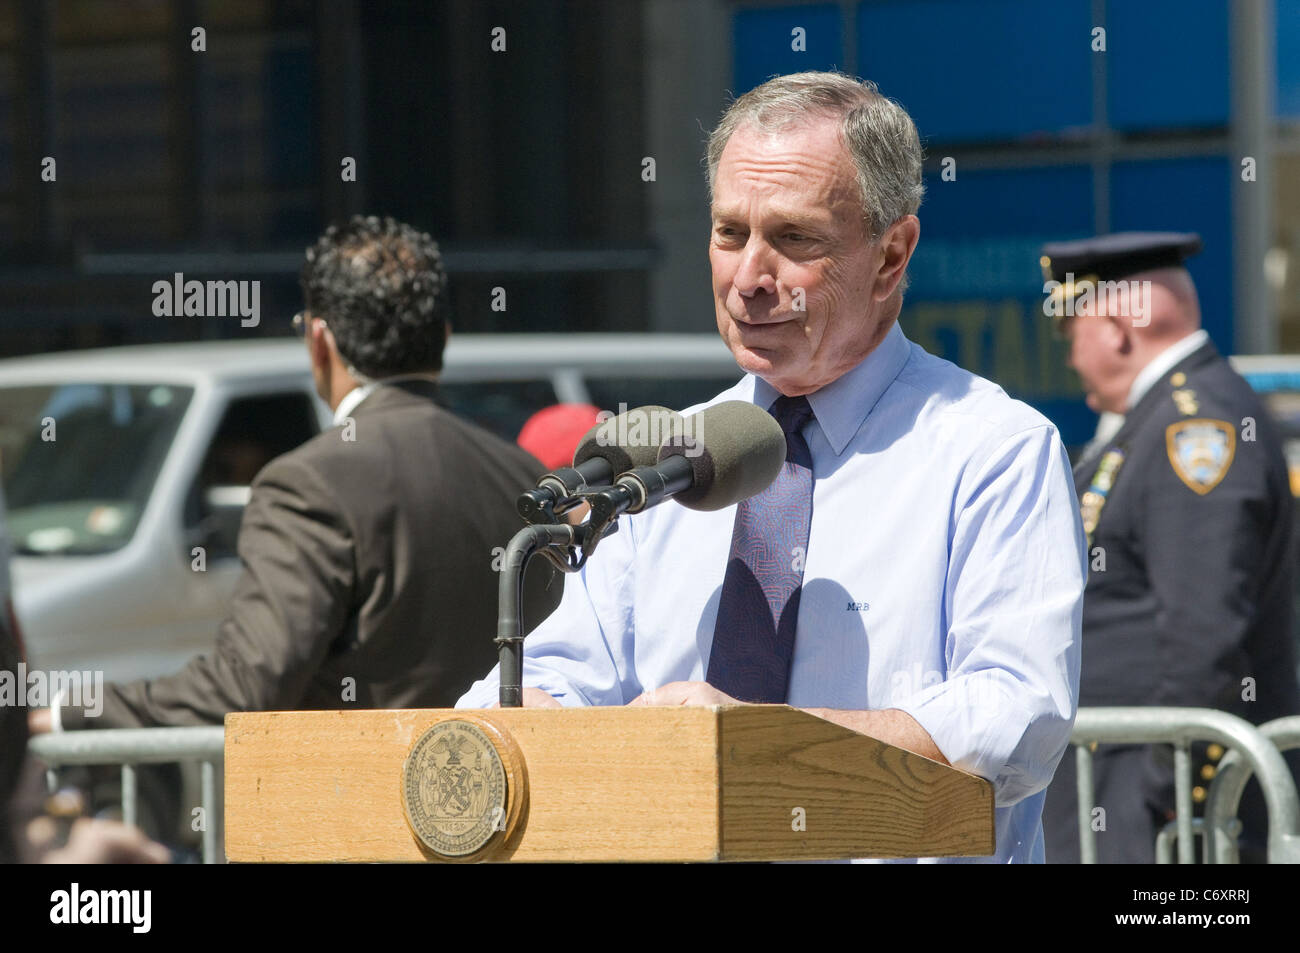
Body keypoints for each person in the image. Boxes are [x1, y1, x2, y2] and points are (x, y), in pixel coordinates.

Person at [457, 71, 1086, 863]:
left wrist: (763, 747)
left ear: (891, 254)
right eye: (729, 233)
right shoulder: (669, 451)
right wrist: (530, 717)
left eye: (793, 239)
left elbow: (1014, 714)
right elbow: (564, 669)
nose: (749, 278)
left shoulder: (991, 449)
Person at [31, 215, 560, 732]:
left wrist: (67, 712)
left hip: (358, 808)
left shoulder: (309, 483)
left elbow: (244, 689)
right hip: (518, 807)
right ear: (443, 336)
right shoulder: (523, 474)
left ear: (319, 340)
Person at [1037, 232, 1300, 863]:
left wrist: (1162, 790)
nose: (1071, 357)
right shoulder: (1163, 416)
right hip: (1129, 791)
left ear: (1118, 328)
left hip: (1157, 808)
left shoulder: (1194, 426)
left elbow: (1204, 634)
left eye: (1072, 331)